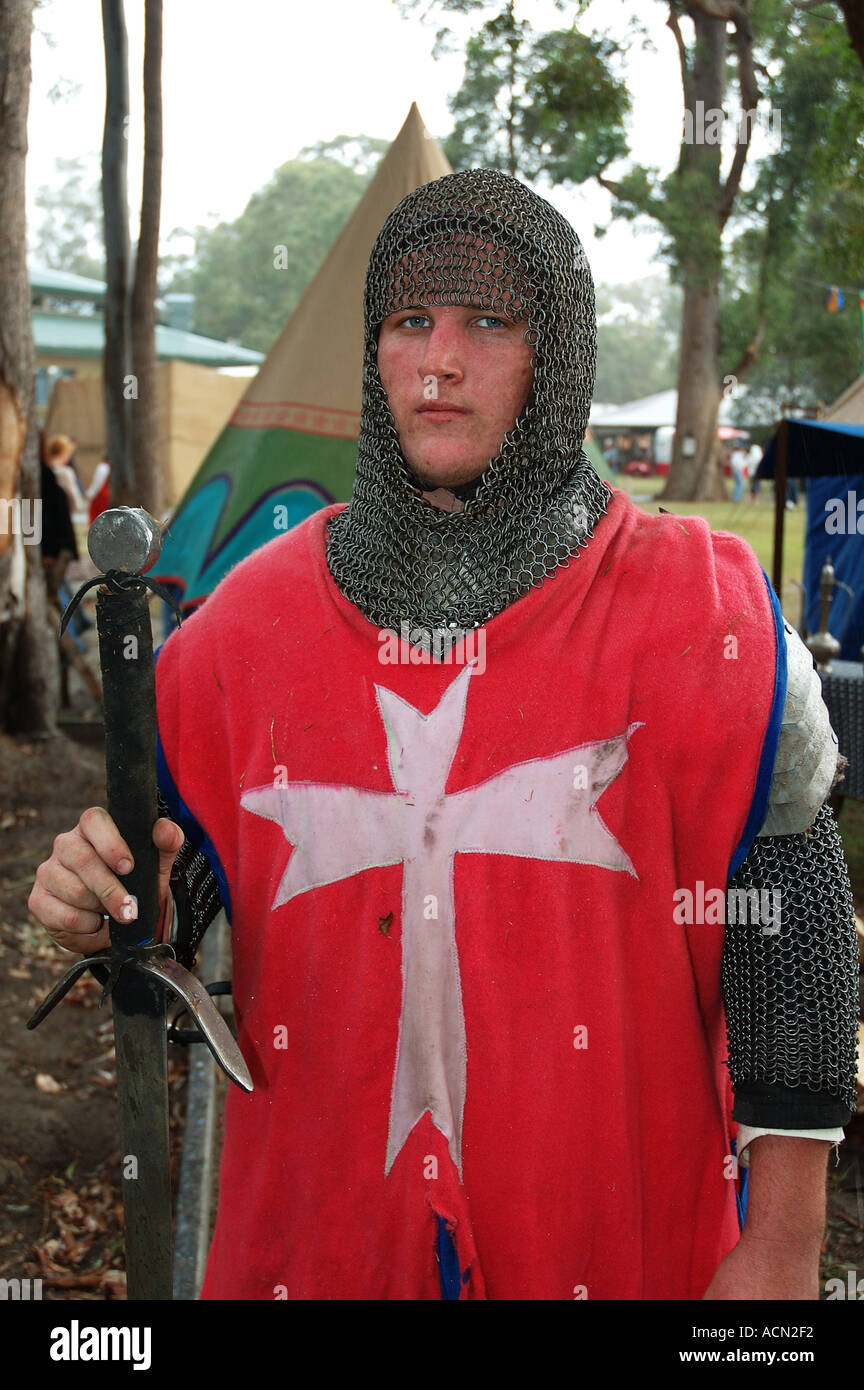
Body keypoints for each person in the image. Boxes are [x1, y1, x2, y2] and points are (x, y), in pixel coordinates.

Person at [28, 170, 859, 1301]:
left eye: (489, 322)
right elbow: (177, 897)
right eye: (410, 321)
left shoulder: (702, 615)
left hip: (617, 1237)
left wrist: (782, 1252)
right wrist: (116, 895)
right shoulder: (245, 631)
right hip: (320, 1236)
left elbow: (791, 939)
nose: (439, 361)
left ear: (558, 351)